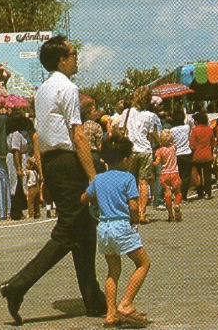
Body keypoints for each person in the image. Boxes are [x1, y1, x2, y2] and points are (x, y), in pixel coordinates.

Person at [0, 35, 105, 325]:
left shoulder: (43, 90)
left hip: (52, 163)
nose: (76, 57)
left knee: (85, 232)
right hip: (69, 164)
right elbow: (78, 135)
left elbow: (39, 136)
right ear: (61, 59)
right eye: (72, 53)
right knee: (68, 232)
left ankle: (93, 299)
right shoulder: (68, 88)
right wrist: (93, 178)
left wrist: (46, 175)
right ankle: (17, 286)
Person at [82, 134, 150, 328]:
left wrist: (95, 200)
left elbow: (84, 198)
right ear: (126, 159)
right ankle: (126, 303)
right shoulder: (128, 177)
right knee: (143, 263)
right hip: (121, 225)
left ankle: (110, 314)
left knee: (113, 271)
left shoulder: (99, 179)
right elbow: (134, 207)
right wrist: (135, 221)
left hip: (103, 228)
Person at [126, 88, 161, 223]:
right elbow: (151, 134)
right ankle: (141, 213)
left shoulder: (127, 112)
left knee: (130, 181)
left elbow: (119, 128)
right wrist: (161, 143)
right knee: (143, 182)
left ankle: (131, 212)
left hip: (131, 150)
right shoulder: (150, 116)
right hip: (145, 150)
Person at [153, 129, 182, 222]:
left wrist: (152, 163)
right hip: (174, 172)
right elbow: (174, 144)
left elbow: (157, 162)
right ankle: (177, 204)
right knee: (178, 192)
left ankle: (170, 214)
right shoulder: (173, 148)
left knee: (167, 193)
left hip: (165, 173)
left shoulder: (159, 151)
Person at [189, 111, 215, 200]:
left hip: (197, 155)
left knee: (198, 175)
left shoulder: (194, 130)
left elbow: (192, 145)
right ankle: (208, 192)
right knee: (207, 175)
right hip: (207, 155)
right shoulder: (209, 129)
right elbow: (212, 143)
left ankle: (200, 192)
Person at [169, 108, 193, 201]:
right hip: (187, 153)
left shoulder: (172, 130)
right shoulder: (186, 128)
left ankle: (177, 194)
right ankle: (184, 195)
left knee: (177, 175)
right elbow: (191, 122)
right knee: (186, 175)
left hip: (176, 154)